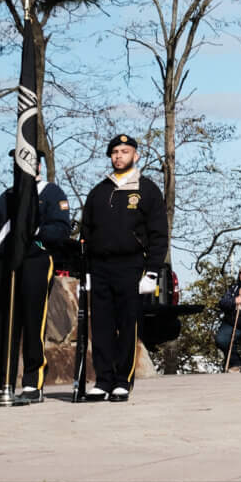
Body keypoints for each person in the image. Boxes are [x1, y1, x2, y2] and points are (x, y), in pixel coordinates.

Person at [77, 132, 170, 403]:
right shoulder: (99, 191)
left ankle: (122, 380)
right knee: (102, 327)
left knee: (127, 325)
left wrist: (152, 271)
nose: (119, 156)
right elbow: (86, 232)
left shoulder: (147, 189)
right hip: (101, 267)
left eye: (125, 152)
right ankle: (103, 379)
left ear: (135, 155)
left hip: (131, 266)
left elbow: (158, 233)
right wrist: (87, 270)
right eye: (115, 152)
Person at [0, 152, 71, 402]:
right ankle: (4, 380)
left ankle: (33, 381)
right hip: (7, 265)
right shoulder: (8, 196)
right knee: (8, 325)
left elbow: (62, 228)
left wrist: (36, 231)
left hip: (36, 261)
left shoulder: (51, 193)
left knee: (34, 321)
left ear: (39, 166)